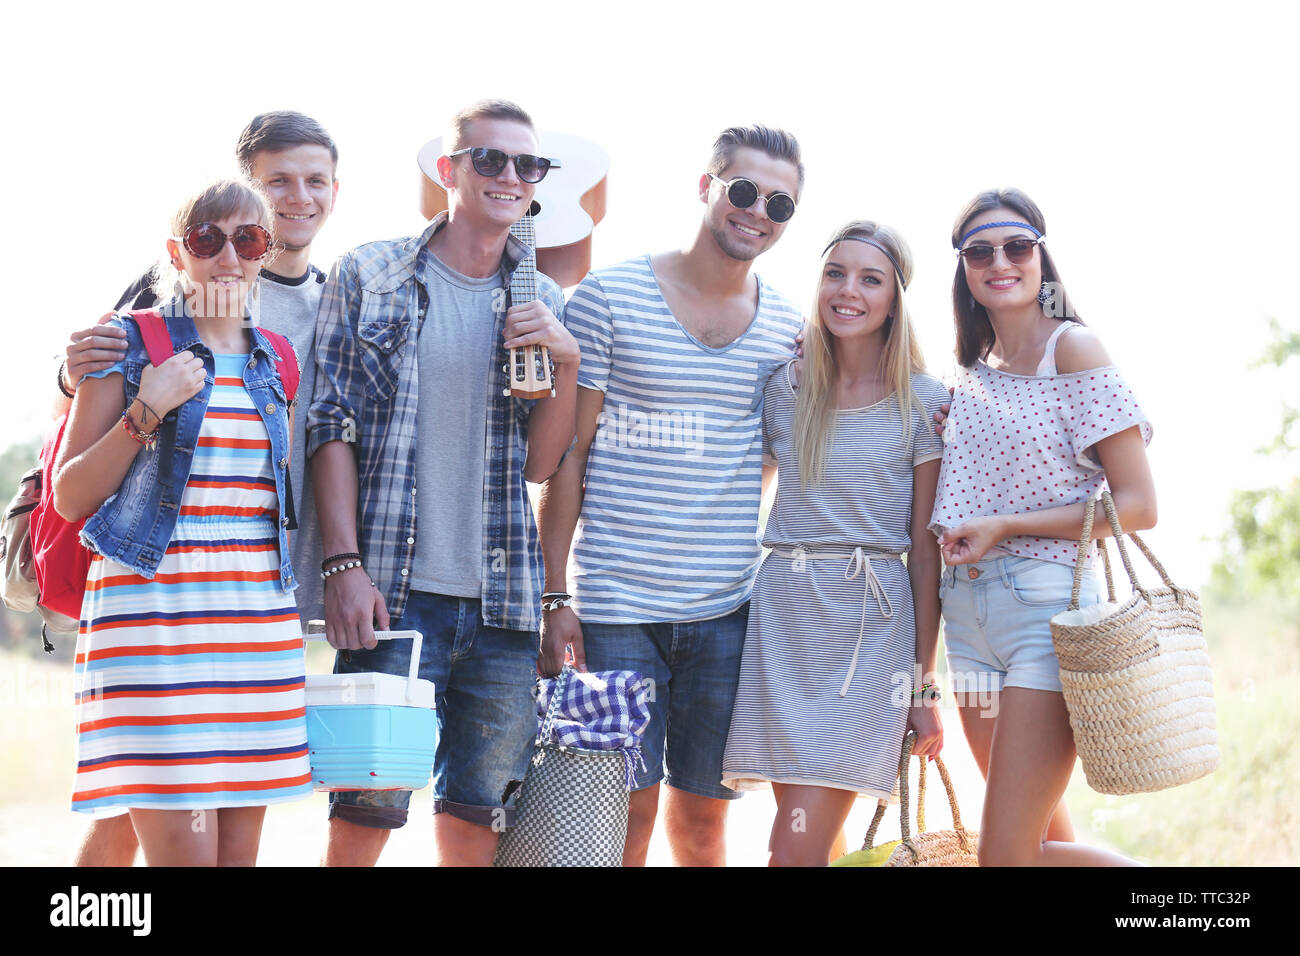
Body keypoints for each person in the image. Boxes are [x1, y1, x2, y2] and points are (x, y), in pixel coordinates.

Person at [57, 110, 339, 867]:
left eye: (246, 240)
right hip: (152, 612)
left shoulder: (276, 357)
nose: (228, 257)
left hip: (256, 619)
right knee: (184, 851)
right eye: (207, 241)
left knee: (235, 858)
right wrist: (147, 409)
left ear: (264, 249)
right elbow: (71, 497)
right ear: (179, 253)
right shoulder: (130, 341)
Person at [309, 99, 578, 867]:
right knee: (363, 812)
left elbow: (540, 465)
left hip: (501, 607)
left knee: (474, 820)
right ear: (448, 169)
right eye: (489, 159)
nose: (509, 176)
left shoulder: (542, 303)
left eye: (528, 165)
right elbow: (331, 424)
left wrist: (567, 363)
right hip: (392, 594)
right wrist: (343, 564)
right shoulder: (373, 272)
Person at [539, 125, 805, 866]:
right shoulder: (610, 295)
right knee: (623, 818)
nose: (758, 212)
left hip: (727, 613)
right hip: (619, 607)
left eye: (778, 204)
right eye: (743, 191)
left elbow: (777, 455)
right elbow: (569, 455)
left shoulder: (787, 328)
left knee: (702, 826)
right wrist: (553, 596)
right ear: (707, 188)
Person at [930, 188, 1155, 866]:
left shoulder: (1074, 350)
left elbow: (1139, 504)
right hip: (967, 622)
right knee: (1045, 844)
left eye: (1017, 246)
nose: (1000, 261)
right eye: (980, 251)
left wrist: (1007, 525)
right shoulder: (970, 376)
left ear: (1040, 255)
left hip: (1044, 614)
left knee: (1005, 857)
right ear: (964, 269)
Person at [720, 221, 946, 866]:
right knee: (812, 837)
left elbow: (924, 554)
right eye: (835, 273)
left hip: (868, 634)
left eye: (870, 279)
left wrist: (922, 689)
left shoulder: (923, 402)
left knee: (791, 850)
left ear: (896, 298)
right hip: (784, 621)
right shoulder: (785, 387)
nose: (848, 291)